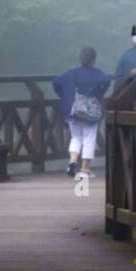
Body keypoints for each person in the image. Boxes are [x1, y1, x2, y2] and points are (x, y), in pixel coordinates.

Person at [52, 47, 110, 180]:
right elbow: (106, 81)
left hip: (74, 110)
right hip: (90, 111)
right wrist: (99, 93)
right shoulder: (98, 74)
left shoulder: (71, 73)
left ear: (80, 59)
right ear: (94, 60)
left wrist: (63, 95)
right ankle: (85, 169)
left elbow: (56, 82)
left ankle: (72, 161)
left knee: (76, 137)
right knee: (89, 138)